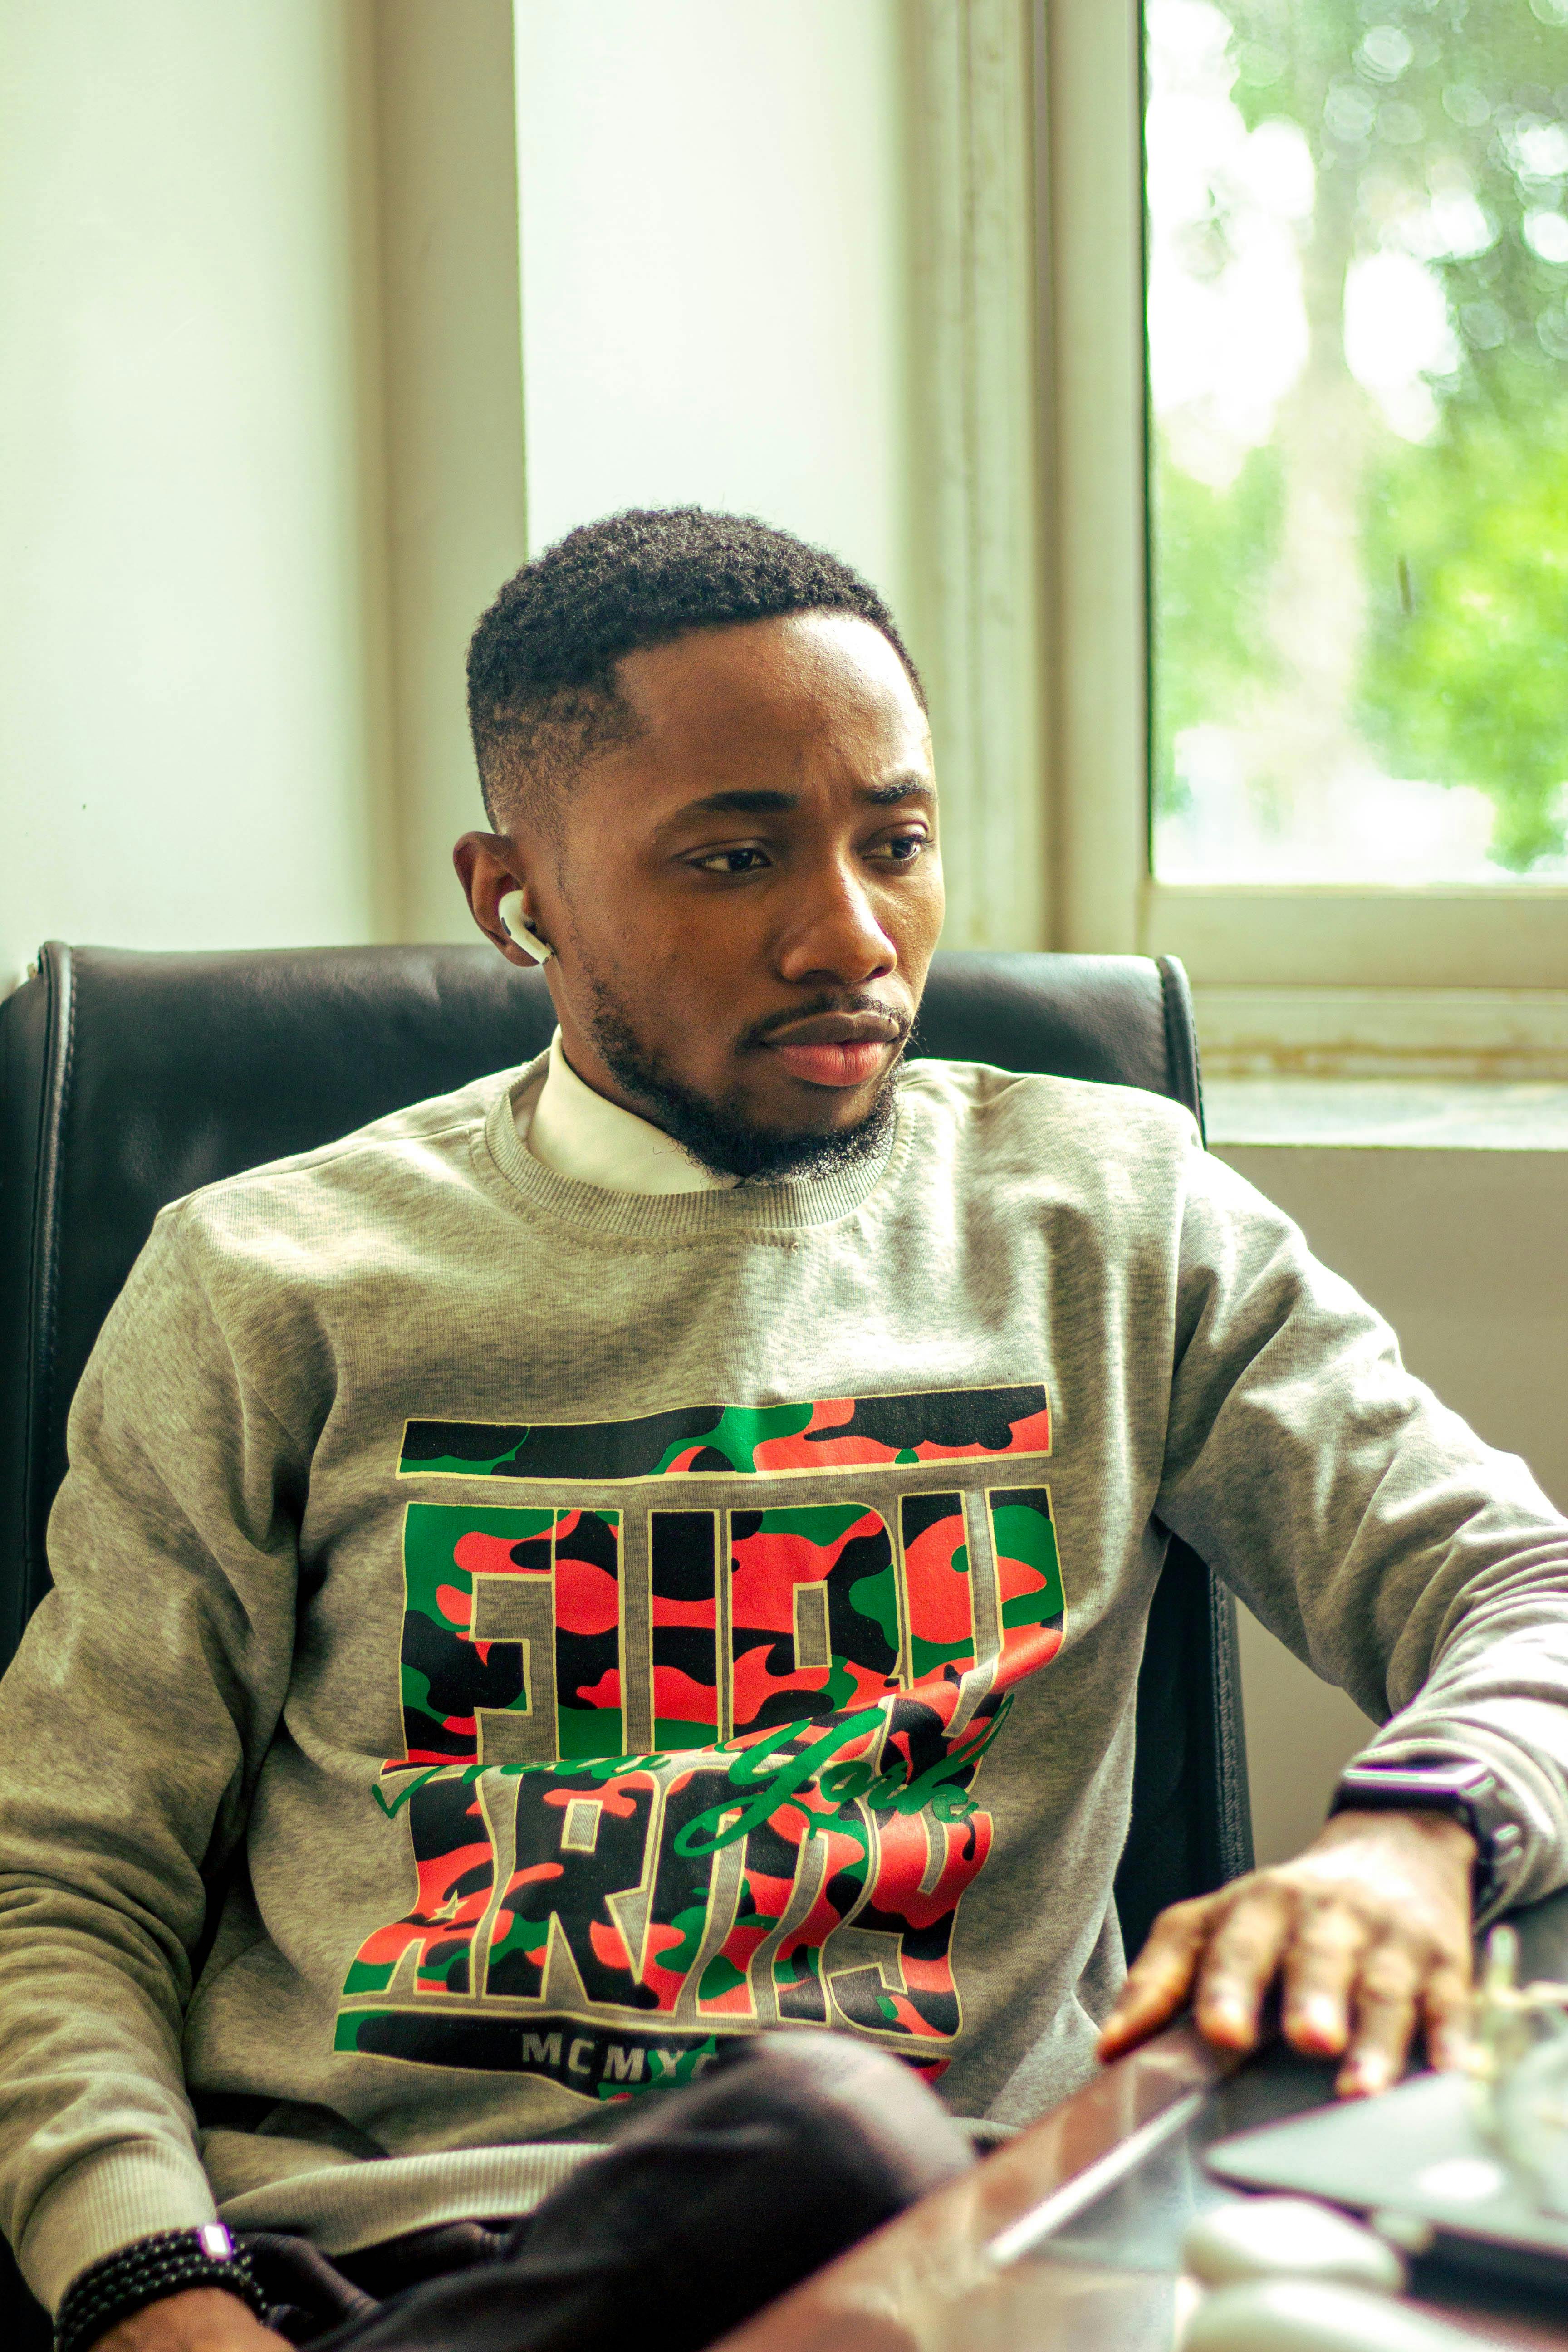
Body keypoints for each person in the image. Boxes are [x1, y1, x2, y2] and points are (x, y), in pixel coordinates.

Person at [2, 507, 1566, 2352]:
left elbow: (1518, 1586)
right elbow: (59, 1881)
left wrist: (1416, 1836)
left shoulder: (1116, 1223)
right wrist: (145, 2292)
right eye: (736, 856)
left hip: (977, 2257)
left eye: (896, 845)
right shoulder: (271, 1282)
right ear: (517, 897)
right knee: (816, 2130)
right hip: (403, 2273)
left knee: (859, 2139)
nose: (851, 936)